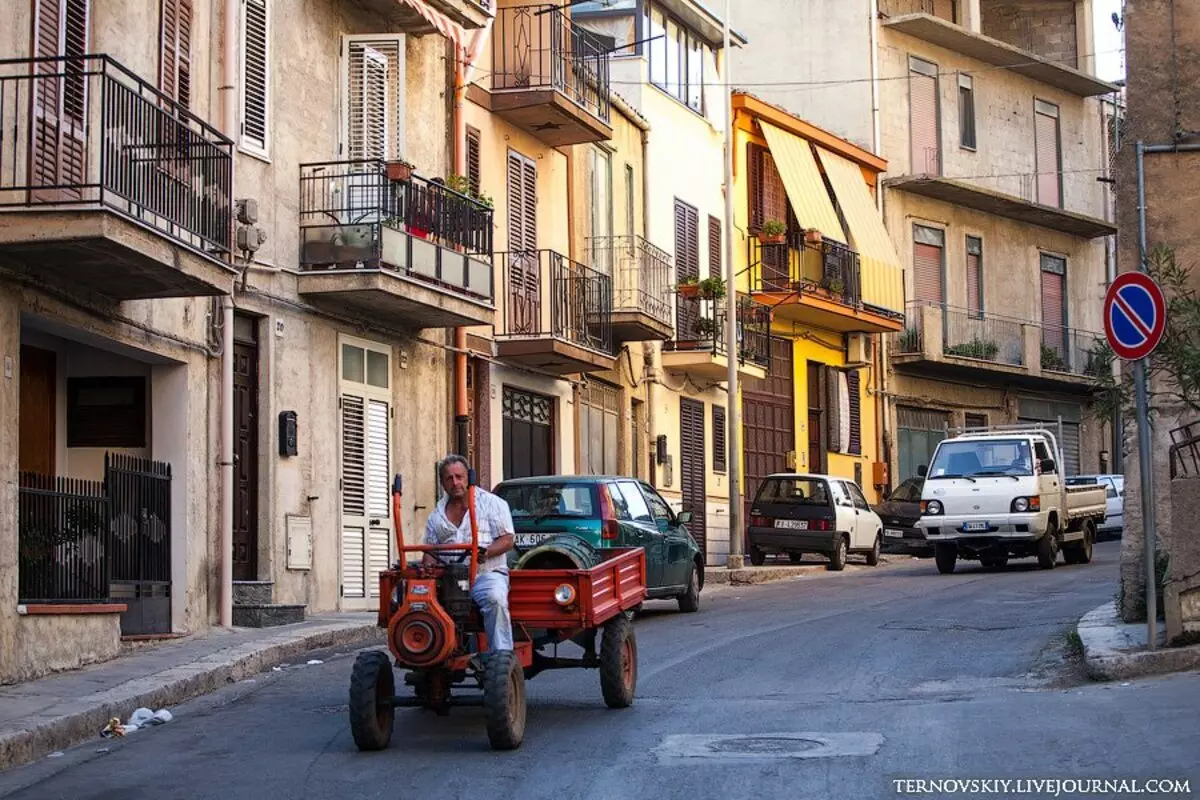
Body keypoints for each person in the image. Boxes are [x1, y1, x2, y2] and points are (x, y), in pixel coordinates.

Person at [423, 455, 515, 654]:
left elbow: (507, 539)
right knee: (420, 603)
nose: (455, 482)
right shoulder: (436, 515)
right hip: (449, 580)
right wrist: (426, 572)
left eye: (459, 476)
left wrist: (487, 552)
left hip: (486, 575)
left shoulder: (492, 504)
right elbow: (430, 550)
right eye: (449, 478)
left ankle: (502, 656)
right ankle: (430, 652)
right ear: (442, 483)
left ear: (469, 477)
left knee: (494, 599)